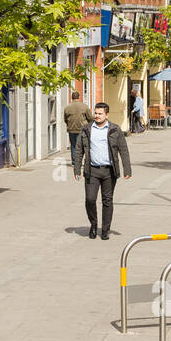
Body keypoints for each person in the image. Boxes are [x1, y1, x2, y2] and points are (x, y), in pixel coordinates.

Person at [73, 102, 132, 241]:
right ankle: (93, 225)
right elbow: (79, 149)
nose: (97, 116)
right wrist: (77, 169)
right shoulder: (87, 129)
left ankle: (105, 230)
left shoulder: (115, 129)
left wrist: (127, 169)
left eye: (100, 113)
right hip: (92, 170)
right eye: (96, 113)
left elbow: (123, 150)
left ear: (106, 115)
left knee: (107, 201)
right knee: (90, 199)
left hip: (109, 171)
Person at [63, 90, 91, 159]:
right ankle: (82, 160)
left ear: (72, 97)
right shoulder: (84, 106)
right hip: (82, 129)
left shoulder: (67, 107)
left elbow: (65, 119)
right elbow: (90, 117)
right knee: (83, 146)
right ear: (79, 97)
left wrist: (69, 125)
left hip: (71, 130)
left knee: (73, 145)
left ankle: (74, 162)